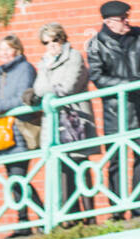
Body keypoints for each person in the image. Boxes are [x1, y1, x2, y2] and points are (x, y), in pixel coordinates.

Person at [86, 1, 140, 219]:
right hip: (115, 112)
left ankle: (139, 207)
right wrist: (125, 84)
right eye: (122, 19)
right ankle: (118, 209)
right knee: (116, 162)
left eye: (127, 17)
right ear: (109, 22)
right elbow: (97, 76)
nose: (127, 21)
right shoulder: (95, 44)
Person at [32, 22, 99, 223]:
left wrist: (47, 91)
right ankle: (72, 218)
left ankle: (90, 216)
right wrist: (49, 89)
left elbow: (68, 87)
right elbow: (38, 88)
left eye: (55, 40)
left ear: (62, 39)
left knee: (80, 166)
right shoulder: (44, 62)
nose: (51, 45)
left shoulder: (74, 57)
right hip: (55, 123)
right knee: (62, 169)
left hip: (76, 121)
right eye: (46, 42)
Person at [0, 35, 42, 238]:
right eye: (1, 50)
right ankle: (28, 220)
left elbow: (22, 97)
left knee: (18, 176)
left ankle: (33, 219)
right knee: (14, 178)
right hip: (1, 132)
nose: (4, 53)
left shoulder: (25, 68)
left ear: (17, 50)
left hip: (19, 129)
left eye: (8, 49)